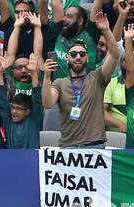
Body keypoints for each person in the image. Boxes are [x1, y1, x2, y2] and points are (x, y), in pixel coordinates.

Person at [40, 11, 119, 148]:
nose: (78, 57)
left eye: (82, 54)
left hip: (94, 145)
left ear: (87, 58)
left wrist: (106, 30)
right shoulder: (59, 83)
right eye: (73, 54)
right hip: (68, 146)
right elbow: (47, 103)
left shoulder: (97, 77)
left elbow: (114, 55)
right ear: (67, 58)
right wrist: (47, 76)